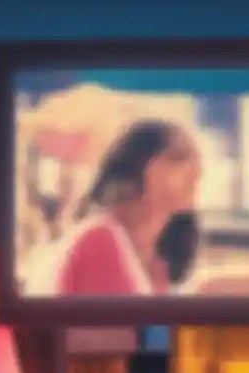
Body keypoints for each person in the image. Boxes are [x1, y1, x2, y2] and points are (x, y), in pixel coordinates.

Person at [24, 119, 202, 297]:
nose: (195, 171)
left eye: (195, 160)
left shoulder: (155, 262)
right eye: (178, 158)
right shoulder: (99, 241)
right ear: (139, 167)